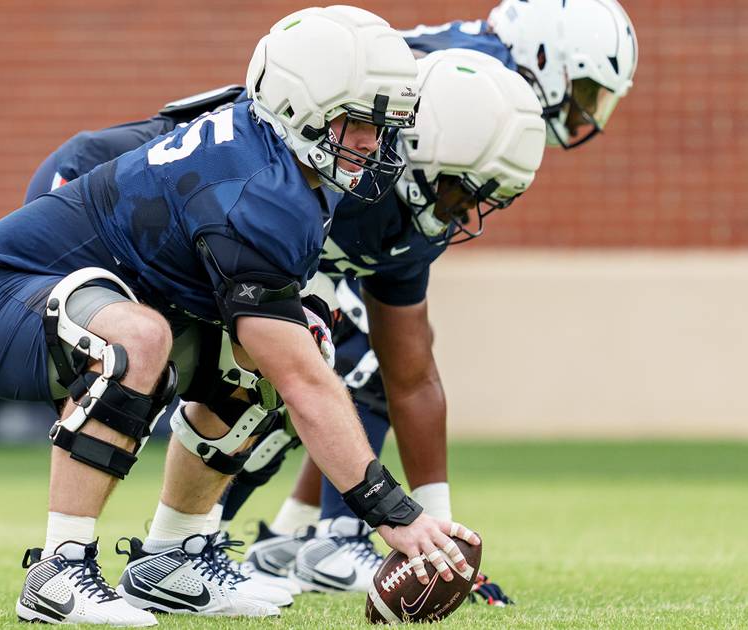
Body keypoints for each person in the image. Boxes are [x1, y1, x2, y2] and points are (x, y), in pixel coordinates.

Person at [0, 5, 479, 626]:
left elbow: (289, 364)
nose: (371, 143)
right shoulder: (259, 189)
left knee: (279, 353)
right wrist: (392, 510)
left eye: (382, 126)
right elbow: (307, 387)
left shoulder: (280, 159)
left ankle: (174, 555)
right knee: (147, 340)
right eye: (357, 122)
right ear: (301, 107)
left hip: (105, 296)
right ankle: (59, 568)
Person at [237, 0, 638, 602]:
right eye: (583, 88)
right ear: (545, 59)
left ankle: (297, 533)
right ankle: (306, 535)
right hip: (284, 210)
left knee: (373, 363)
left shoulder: (478, 74)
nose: (586, 112)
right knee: (338, 365)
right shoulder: (465, 75)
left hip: (333, 222)